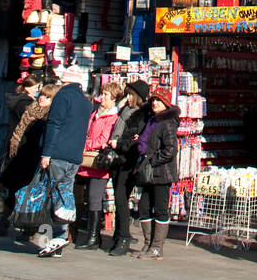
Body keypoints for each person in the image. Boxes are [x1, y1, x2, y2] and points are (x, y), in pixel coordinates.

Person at [0, 82, 61, 238]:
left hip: (35, 160)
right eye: (41, 95)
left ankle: (28, 229)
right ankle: (4, 225)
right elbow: (18, 133)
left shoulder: (50, 117)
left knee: (32, 196)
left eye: (47, 97)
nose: (42, 98)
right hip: (21, 157)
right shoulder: (29, 110)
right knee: (14, 193)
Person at [38, 66, 94, 258]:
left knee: (53, 195)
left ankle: (57, 237)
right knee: (65, 193)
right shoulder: (86, 102)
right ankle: (60, 239)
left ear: (64, 80)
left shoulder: (63, 96)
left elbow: (54, 124)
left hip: (58, 152)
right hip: (75, 155)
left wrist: (46, 153)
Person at [131, 89, 179, 260]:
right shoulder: (152, 121)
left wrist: (152, 160)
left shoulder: (167, 123)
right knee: (144, 207)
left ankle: (157, 247)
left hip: (161, 173)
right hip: (147, 172)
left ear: (166, 103)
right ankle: (147, 244)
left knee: (160, 208)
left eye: (158, 101)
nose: (155, 104)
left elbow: (171, 149)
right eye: (153, 101)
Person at [74, 80, 121, 250]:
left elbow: (104, 139)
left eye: (107, 95)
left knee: (95, 199)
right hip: (86, 161)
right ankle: (81, 232)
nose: (103, 98)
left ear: (114, 98)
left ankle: (94, 237)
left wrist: (87, 145)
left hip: (98, 162)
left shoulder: (113, 117)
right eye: (103, 94)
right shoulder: (95, 114)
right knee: (84, 198)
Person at [107, 79, 150, 257]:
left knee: (121, 197)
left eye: (131, 94)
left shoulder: (141, 115)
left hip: (129, 161)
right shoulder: (125, 110)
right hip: (119, 160)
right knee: (119, 198)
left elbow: (136, 141)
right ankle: (119, 234)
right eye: (127, 94)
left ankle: (124, 237)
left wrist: (118, 144)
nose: (128, 97)